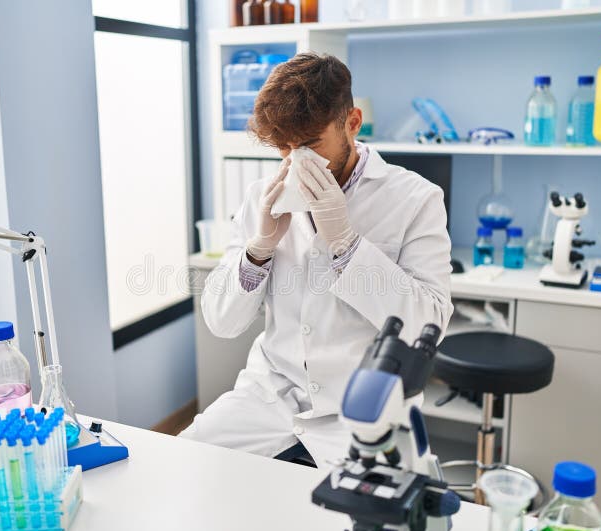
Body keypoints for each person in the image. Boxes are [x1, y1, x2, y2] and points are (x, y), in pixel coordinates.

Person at [180, 53, 453, 467]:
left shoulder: (416, 198)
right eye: (283, 147)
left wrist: (346, 244)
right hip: (270, 397)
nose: (294, 161)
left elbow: (427, 327)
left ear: (352, 122)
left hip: (363, 408)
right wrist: (258, 251)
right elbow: (222, 321)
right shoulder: (261, 197)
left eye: (308, 145)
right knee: (181, 463)